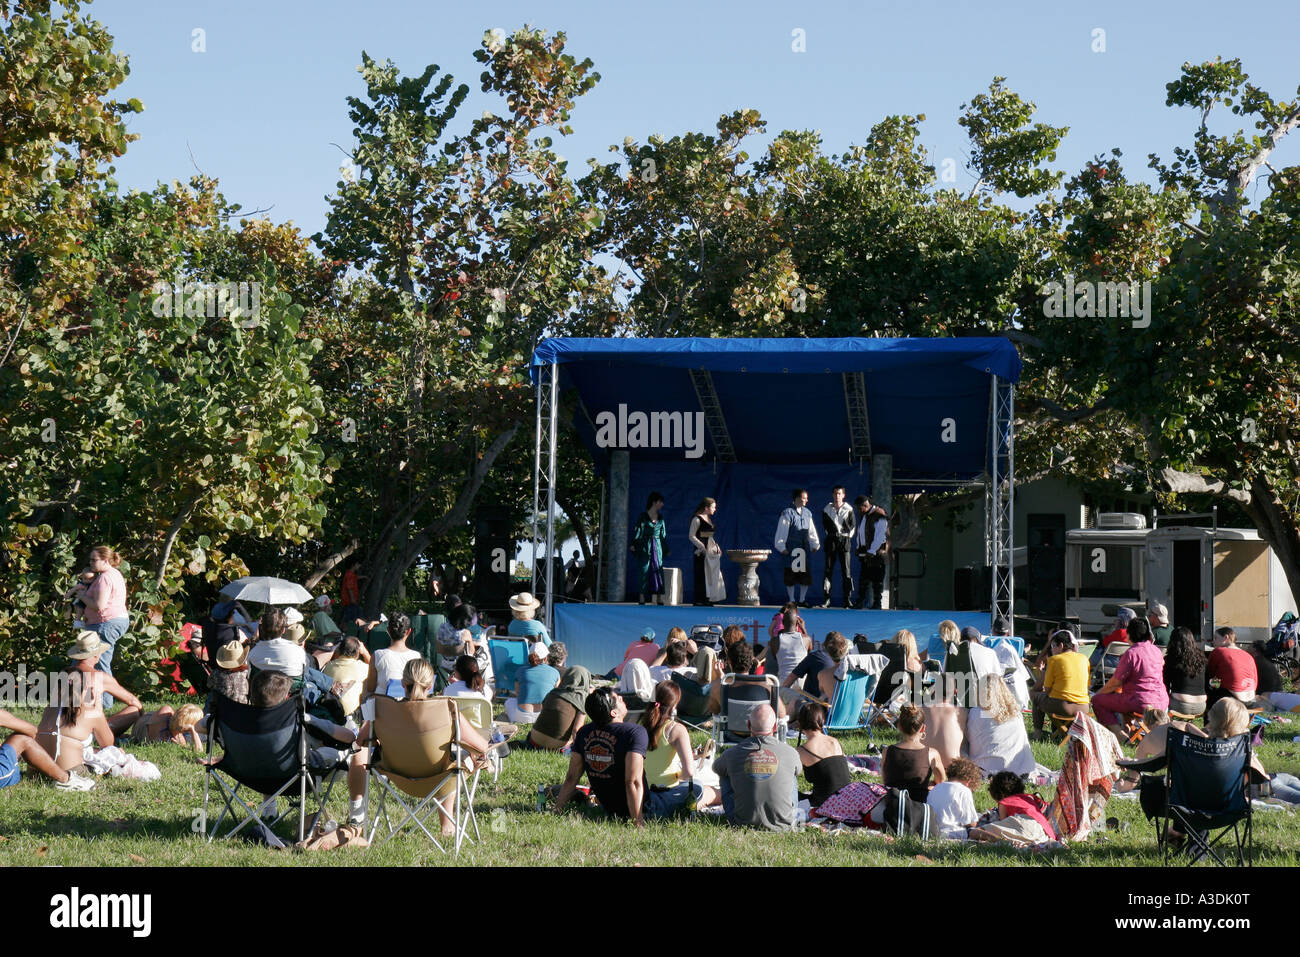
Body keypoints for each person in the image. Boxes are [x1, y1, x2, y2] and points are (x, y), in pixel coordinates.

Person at [554, 687, 648, 826]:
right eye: (618, 698)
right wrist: (638, 823)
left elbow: (572, 777)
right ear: (613, 712)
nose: (622, 698)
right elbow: (632, 782)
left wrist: (558, 809)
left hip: (608, 808)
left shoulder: (584, 732)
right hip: (643, 808)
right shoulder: (634, 732)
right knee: (682, 791)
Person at [711, 703, 800, 831]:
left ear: (748, 725)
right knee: (792, 773)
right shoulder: (791, 753)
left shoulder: (732, 754)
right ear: (775, 727)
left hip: (741, 823)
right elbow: (799, 769)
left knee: (724, 773)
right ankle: (788, 816)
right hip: (784, 825)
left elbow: (716, 767)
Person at [639, 683, 718, 816]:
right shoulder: (676, 729)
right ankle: (687, 809)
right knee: (707, 789)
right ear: (675, 704)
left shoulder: (640, 726)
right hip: (665, 794)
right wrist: (677, 775)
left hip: (641, 792)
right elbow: (688, 772)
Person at [1091, 617, 1169, 744]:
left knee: (1098, 701)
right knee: (1122, 700)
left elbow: (1116, 682)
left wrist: (1099, 692)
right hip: (1162, 701)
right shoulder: (1156, 651)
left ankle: (1121, 736)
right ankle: (1130, 731)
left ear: (1129, 634)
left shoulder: (1131, 653)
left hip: (1139, 702)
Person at [37, 669, 114, 776]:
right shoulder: (92, 713)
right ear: (86, 687)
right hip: (70, 773)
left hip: (37, 772)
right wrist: (98, 707)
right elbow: (108, 744)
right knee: (115, 754)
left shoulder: (50, 709)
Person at [0, 707, 95, 791]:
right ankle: (65, 780)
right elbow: (32, 731)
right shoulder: (91, 711)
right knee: (21, 740)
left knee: (16, 740)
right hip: (74, 767)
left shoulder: (50, 708)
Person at [81, 546, 131, 704]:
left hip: (106, 623)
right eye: (90, 559)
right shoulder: (114, 574)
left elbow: (99, 605)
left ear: (106, 560)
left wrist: (81, 596)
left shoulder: (105, 578)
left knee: (99, 662)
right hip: (112, 621)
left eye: (94, 560)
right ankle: (80, 700)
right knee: (85, 661)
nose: (91, 563)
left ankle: (106, 703)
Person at [967, 674, 1035, 777]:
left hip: (987, 769)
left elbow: (970, 739)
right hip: (1021, 768)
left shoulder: (976, 713)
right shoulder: (1016, 713)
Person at [1030, 628, 1090, 738]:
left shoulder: (1054, 660)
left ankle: (1037, 733)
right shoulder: (1084, 659)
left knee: (1035, 696)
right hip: (1084, 707)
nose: (1052, 650)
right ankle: (1062, 732)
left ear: (1061, 645)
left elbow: (1047, 690)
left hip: (1063, 707)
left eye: (1053, 646)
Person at [881, 703, 946, 802]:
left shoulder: (887, 751)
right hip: (919, 807)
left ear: (899, 726)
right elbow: (941, 781)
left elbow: (885, 781)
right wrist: (927, 785)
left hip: (892, 806)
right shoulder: (931, 754)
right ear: (923, 728)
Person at [970, 771, 1057, 844]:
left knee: (974, 832)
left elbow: (1003, 821)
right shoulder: (1029, 798)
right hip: (1043, 833)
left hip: (1023, 825)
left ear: (1000, 794)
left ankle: (1003, 843)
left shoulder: (1004, 802)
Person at [527, 666, 593, 751]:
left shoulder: (553, 693)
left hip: (534, 741)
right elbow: (576, 730)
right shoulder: (582, 699)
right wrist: (578, 749)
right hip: (556, 747)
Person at [774, 488, 820, 606]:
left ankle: (802, 599)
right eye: (804, 498)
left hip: (804, 547)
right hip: (793, 548)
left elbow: (811, 530)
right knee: (791, 573)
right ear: (797, 498)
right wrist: (781, 546)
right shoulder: (788, 513)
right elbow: (782, 530)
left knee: (805, 574)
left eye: (806, 498)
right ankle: (792, 600)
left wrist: (815, 544)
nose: (806, 500)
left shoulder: (807, 513)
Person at [362, 613, 422, 700]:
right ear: (408, 631)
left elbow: (371, 688)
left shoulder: (377, 655)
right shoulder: (416, 656)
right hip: (409, 707)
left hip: (383, 708)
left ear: (388, 631)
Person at [926, 757, 982, 839]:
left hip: (931, 830)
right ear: (969, 781)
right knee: (981, 829)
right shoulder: (964, 790)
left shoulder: (936, 788)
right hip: (952, 832)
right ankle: (1001, 841)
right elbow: (971, 822)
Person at [506, 642, 560, 724]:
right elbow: (556, 695)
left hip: (523, 717)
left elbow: (517, 693)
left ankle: (514, 720)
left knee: (509, 702)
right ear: (545, 658)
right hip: (545, 716)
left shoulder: (520, 671)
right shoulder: (555, 672)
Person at [1206, 626, 1258, 712]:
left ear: (1226, 638)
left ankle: (1209, 720)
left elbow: (1210, 674)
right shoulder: (1247, 655)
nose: (1213, 641)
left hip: (1233, 699)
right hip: (1251, 700)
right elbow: (1255, 681)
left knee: (1209, 682)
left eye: (1216, 638)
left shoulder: (1218, 651)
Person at [820, 485, 856, 608]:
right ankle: (827, 599)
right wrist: (834, 535)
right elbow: (825, 527)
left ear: (843, 495)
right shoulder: (827, 509)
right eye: (835, 493)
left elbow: (852, 527)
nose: (837, 496)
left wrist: (843, 536)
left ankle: (847, 599)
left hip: (844, 542)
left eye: (839, 493)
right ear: (832, 495)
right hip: (831, 542)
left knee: (846, 572)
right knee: (828, 571)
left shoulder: (849, 509)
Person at [113, 703, 204, 750]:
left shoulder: (177, 736)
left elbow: (199, 752)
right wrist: (192, 731)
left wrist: (193, 731)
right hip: (141, 726)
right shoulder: (165, 715)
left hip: (141, 733)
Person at [852, 495, 889, 609]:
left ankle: (877, 603)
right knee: (864, 579)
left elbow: (880, 535)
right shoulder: (865, 516)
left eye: (859, 508)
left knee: (877, 579)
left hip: (877, 553)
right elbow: (861, 533)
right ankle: (860, 602)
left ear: (865, 505)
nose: (858, 511)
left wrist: (872, 550)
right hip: (866, 552)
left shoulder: (879, 514)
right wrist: (859, 547)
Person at [631, 492, 668, 605]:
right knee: (644, 570)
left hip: (657, 547)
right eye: (660, 502)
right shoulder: (643, 517)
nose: (662, 504)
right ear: (654, 502)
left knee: (658, 570)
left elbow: (663, 535)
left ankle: (659, 597)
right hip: (645, 546)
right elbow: (638, 531)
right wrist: (634, 543)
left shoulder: (661, 518)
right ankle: (642, 596)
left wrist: (665, 548)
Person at [1163, 626, 1208, 718]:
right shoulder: (1202, 658)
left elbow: (1165, 685)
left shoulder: (1170, 659)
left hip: (1180, 705)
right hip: (1201, 705)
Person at [687, 497, 725, 606]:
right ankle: (700, 599)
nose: (715, 509)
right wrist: (702, 547)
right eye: (713, 507)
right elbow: (691, 536)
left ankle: (709, 598)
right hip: (702, 552)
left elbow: (710, 536)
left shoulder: (708, 519)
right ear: (706, 508)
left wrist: (717, 547)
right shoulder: (697, 519)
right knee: (701, 574)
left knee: (710, 574)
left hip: (710, 551)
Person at [322, 637, 370, 718]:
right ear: (357, 652)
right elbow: (374, 668)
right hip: (350, 713)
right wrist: (365, 652)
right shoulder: (360, 667)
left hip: (330, 711)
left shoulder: (329, 666)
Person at [768, 608, 811, 685]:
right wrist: (803, 629)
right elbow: (808, 654)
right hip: (801, 685)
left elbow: (776, 657)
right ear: (797, 623)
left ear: (783, 623)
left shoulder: (775, 641)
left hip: (784, 684)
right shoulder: (806, 639)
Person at [209, 639, 251, 705]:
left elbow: (209, 685)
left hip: (219, 708)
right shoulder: (246, 673)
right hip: (243, 709)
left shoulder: (215, 673)